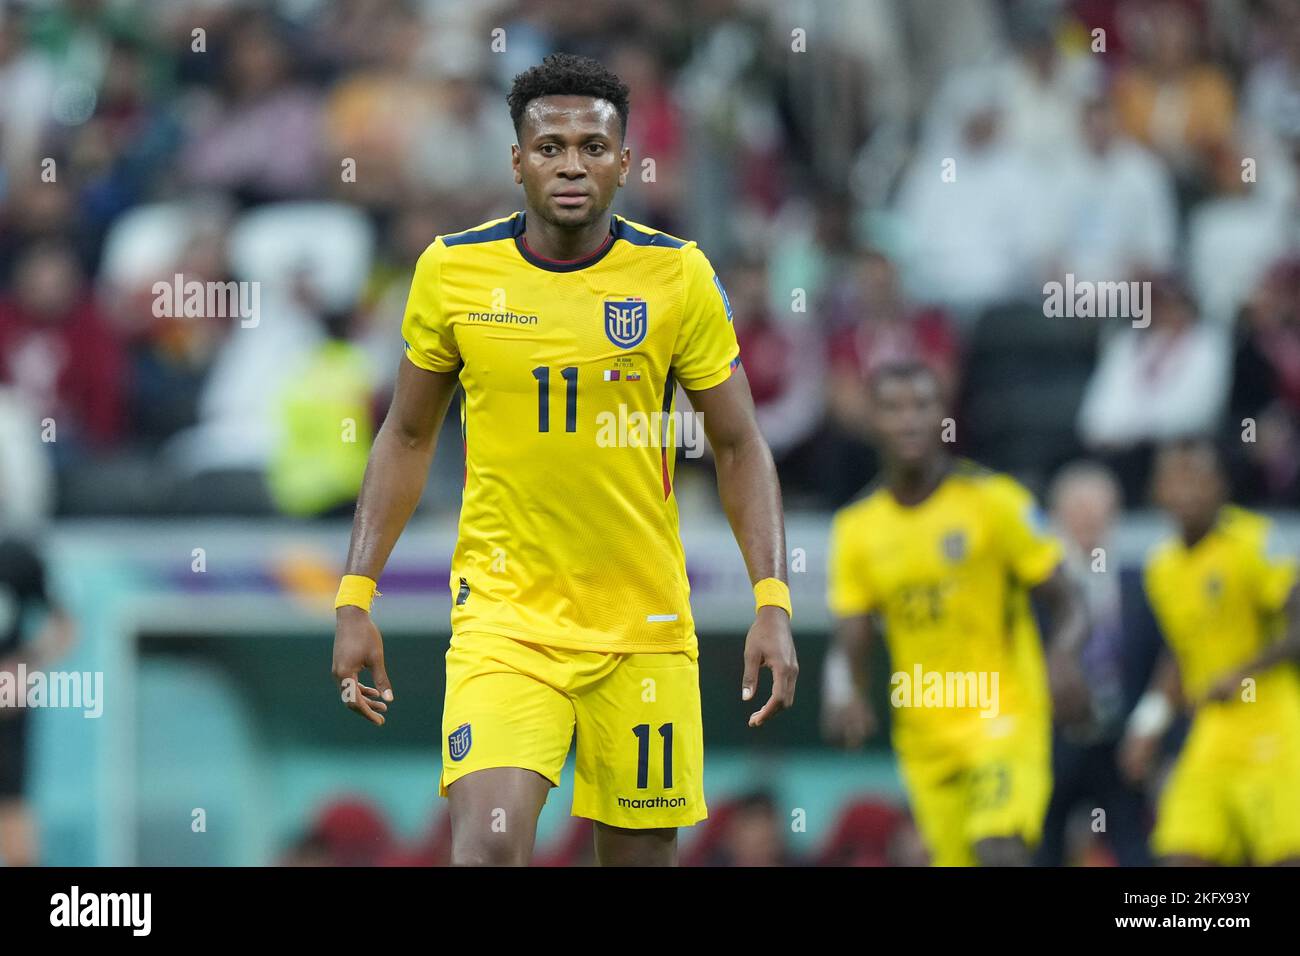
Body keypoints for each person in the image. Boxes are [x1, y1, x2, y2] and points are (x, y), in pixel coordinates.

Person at [330, 54, 797, 867]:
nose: (572, 163)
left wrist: (772, 599)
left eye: (593, 145)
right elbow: (405, 437)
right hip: (505, 623)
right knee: (488, 848)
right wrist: (354, 594)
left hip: (644, 627)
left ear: (624, 160)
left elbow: (739, 443)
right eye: (550, 147)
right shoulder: (452, 271)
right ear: (517, 161)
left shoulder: (677, 276)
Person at [822, 361, 1088, 866]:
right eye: (893, 408)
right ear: (871, 421)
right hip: (925, 739)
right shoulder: (857, 528)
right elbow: (849, 637)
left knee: (1000, 849)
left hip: (1005, 718)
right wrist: (842, 691)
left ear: (943, 415)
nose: (909, 420)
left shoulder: (994, 501)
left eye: (923, 406)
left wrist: (1065, 655)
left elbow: (1069, 598)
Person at [1119, 439, 1300, 866]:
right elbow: (1181, 654)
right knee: (1179, 855)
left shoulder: (1256, 542)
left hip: (1271, 721)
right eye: (1174, 480)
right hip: (1212, 729)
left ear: (1221, 487)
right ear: (1156, 491)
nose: (1186, 492)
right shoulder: (1161, 567)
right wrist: (1150, 722)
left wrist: (1245, 671)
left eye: (1197, 479)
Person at [1034, 462, 1159, 866]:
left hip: (1119, 748)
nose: (1088, 520)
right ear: (1056, 517)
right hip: (1052, 745)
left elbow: (1163, 663)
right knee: (1041, 848)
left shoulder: (1141, 584)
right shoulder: (1034, 588)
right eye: (1078, 509)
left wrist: (1150, 730)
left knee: (1134, 849)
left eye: (1098, 510)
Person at [0, 533, 74, 866]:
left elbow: (66, 625)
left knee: (17, 840)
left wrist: (26, 666)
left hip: (8, 721)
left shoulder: (16, 557)